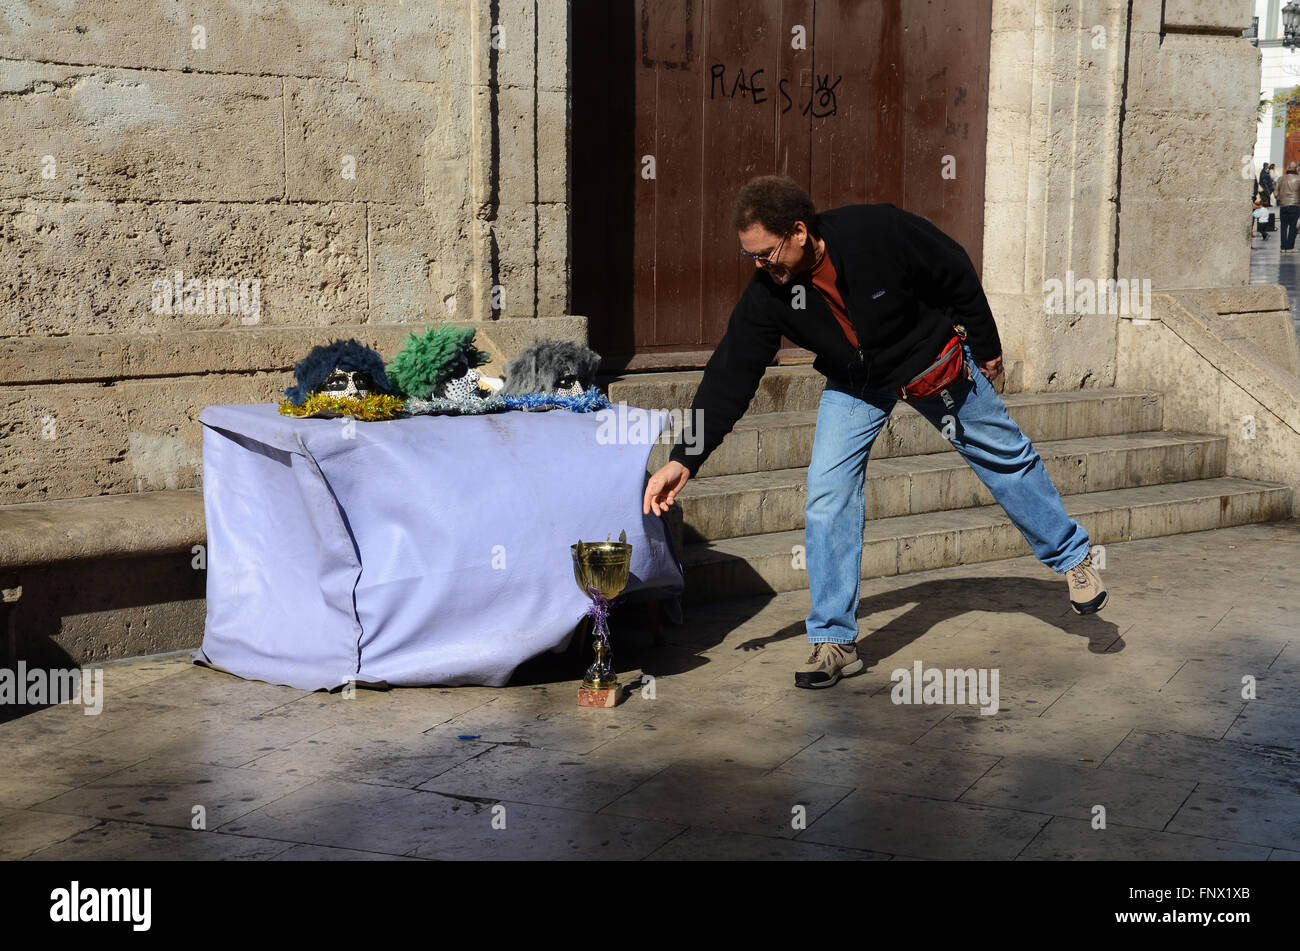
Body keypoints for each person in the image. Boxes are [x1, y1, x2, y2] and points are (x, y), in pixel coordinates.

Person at [643, 176, 1108, 689]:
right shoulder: (770, 293)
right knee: (827, 494)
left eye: (765, 253)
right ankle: (834, 642)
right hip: (857, 383)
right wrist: (684, 457)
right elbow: (731, 373)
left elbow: (952, 267)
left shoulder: (876, 230)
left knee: (1003, 457)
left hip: (930, 363)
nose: (759, 266)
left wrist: (985, 343)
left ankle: (1074, 560)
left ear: (799, 232)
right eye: (749, 256)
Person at [1276, 163, 1300, 253]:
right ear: (1296, 169)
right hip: (1295, 205)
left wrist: (1281, 199)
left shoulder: (1281, 179)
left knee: (1283, 226)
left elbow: (1275, 193)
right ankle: (1290, 247)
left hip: (1283, 206)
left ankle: (1283, 247)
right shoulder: (1298, 179)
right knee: (1293, 226)